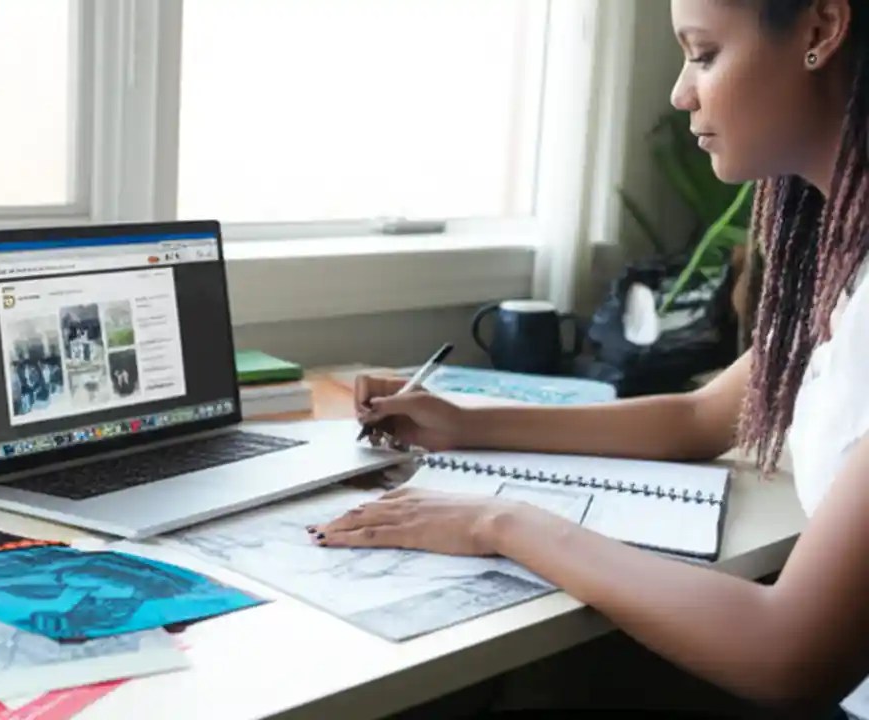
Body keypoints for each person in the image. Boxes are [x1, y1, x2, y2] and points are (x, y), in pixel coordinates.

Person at [314, 1, 869, 717]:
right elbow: (700, 417)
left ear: (820, 32)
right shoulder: (846, 270)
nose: (680, 92)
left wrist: (501, 523)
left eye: (702, 54)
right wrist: (463, 423)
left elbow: (788, 653)